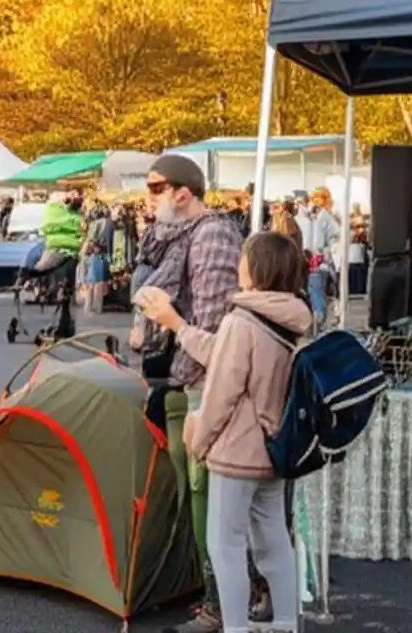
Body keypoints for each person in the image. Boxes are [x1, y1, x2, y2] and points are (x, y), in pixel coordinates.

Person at [139, 231, 309, 633]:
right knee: (273, 538)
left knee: (225, 545)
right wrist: (178, 325)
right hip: (275, 446)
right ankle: (286, 622)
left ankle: (235, 627)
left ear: (257, 268)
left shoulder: (242, 320)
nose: (239, 264)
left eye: (245, 259)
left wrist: (198, 440)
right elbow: (226, 354)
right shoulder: (293, 318)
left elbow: (222, 391)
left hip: (236, 451)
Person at [134, 154, 242, 633]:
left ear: (185, 192)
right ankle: (216, 594)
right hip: (180, 382)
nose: (149, 196)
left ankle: (221, 601)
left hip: (202, 388)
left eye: (157, 187)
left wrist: (167, 324)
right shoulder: (172, 239)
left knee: (205, 499)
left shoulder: (211, 234)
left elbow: (216, 327)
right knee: (195, 495)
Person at [298, 187, 340, 331]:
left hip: (318, 257)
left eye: (318, 198)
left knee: (316, 288)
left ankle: (319, 320)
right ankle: (317, 320)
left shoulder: (323, 216)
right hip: (313, 257)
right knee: (314, 288)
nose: (315, 201)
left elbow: (326, 238)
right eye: (314, 197)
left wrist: (322, 253)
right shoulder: (314, 216)